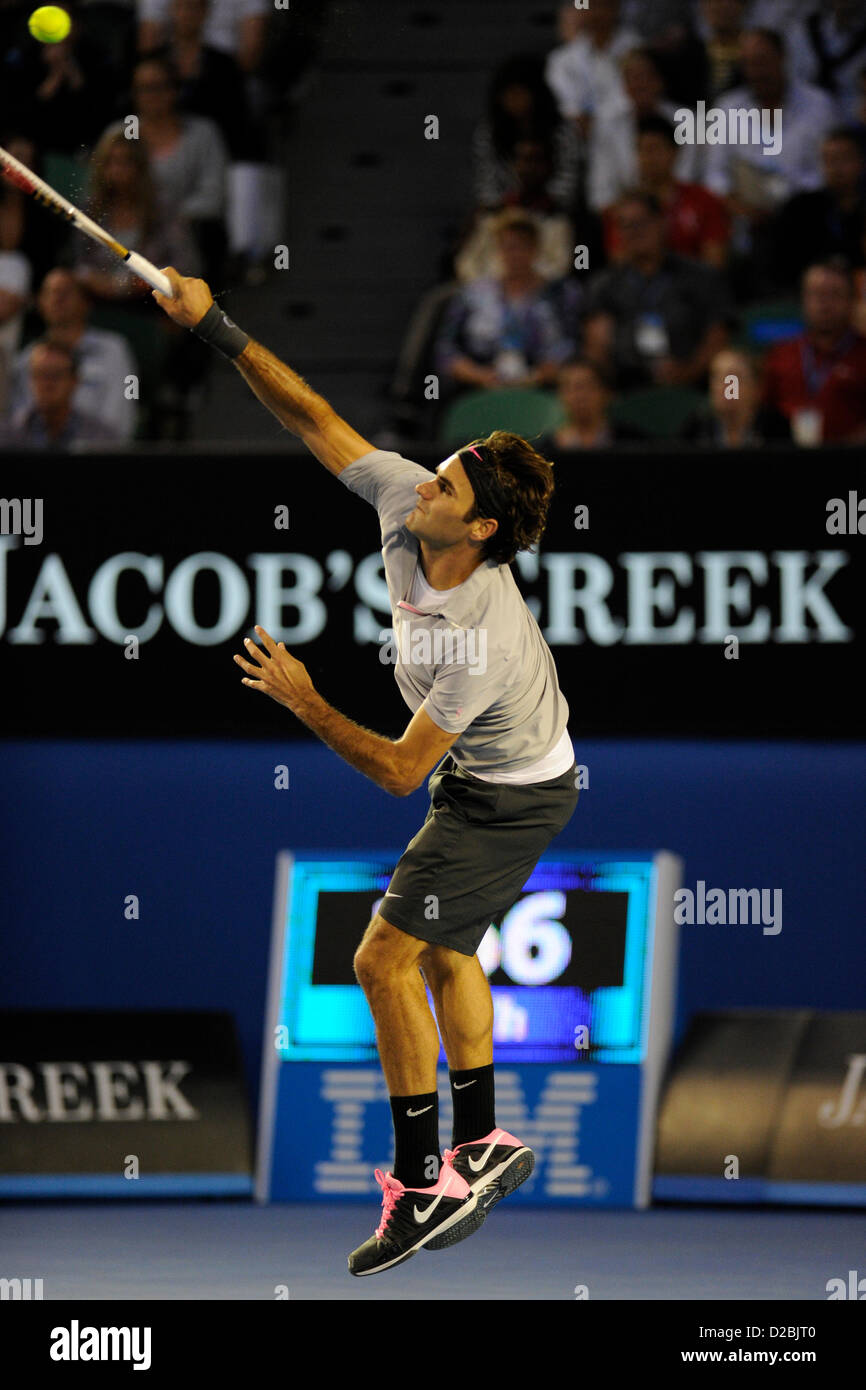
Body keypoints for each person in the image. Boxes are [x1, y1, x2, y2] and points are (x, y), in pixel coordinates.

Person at [151, 264, 580, 1276]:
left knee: (379, 960)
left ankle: (422, 1179)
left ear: (477, 528)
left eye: (448, 484)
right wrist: (214, 326)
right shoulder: (407, 501)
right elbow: (312, 416)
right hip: (501, 775)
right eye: (438, 469)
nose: (424, 477)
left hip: (505, 794)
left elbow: (395, 773)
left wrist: (301, 697)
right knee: (444, 949)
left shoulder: (480, 639)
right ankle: (479, 1136)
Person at [100, 54, 228, 281]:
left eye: (158, 87)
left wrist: (166, 216)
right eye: (143, 88)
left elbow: (214, 197)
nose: (151, 96)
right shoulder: (118, 133)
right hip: (123, 234)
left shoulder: (203, 133)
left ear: (175, 89)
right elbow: (99, 188)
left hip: (181, 237)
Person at [583, 190, 729, 389]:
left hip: (692, 387)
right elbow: (597, 347)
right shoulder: (605, 285)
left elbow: (717, 336)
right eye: (625, 226)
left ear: (661, 223)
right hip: (625, 391)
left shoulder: (699, 277)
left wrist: (687, 372)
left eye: (641, 223)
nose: (634, 232)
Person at [435, 210, 579, 394]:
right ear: (498, 250)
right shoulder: (473, 294)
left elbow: (572, 344)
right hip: (481, 384)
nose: (514, 254)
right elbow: (445, 350)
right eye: (508, 247)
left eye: (521, 247)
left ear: (535, 248)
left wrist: (541, 374)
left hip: (543, 386)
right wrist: (478, 375)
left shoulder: (561, 292)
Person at [10, 268, 138, 442]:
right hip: (38, 453)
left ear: (86, 303)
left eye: (66, 292)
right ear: (40, 302)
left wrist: (107, 449)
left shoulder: (115, 350)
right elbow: (19, 418)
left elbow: (128, 400)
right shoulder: (27, 359)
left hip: (101, 450)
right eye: (51, 292)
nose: (58, 299)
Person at [603, 115, 730, 267]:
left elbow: (714, 263)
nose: (647, 158)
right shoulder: (625, 209)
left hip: (693, 287)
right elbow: (619, 264)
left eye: (654, 149)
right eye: (641, 150)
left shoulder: (704, 201)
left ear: (674, 152)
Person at [762, 259, 866, 444]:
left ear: (851, 301)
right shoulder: (781, 354)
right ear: (803, 300)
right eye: (817, 294)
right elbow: (762, 410)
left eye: (834, 294)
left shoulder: (862, 355)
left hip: (852, 462)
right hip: (785, 461)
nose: (824, 304)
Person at [770, 128, 866, 289]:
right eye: (829, 160)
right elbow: (781, 265)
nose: (837, 168)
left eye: (843, 159)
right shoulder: (800, 209)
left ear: (860, 162)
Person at [1, 338, 122, 449]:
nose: (47, 384)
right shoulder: (7, 435)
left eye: (56, 375)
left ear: (74, 380)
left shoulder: (101, 439)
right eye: (39, 374)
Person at [681, 347, 790, 445]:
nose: (725, 386)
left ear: (756, 388)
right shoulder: (695, 430)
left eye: (734, 378)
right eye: (717, 377)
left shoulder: (779, 430)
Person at [542, 356, 647, 449]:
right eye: (569, 388)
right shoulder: (544, 452)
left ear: (607, 394)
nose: (579, 397)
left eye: (587, 387)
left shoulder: (633, 444)